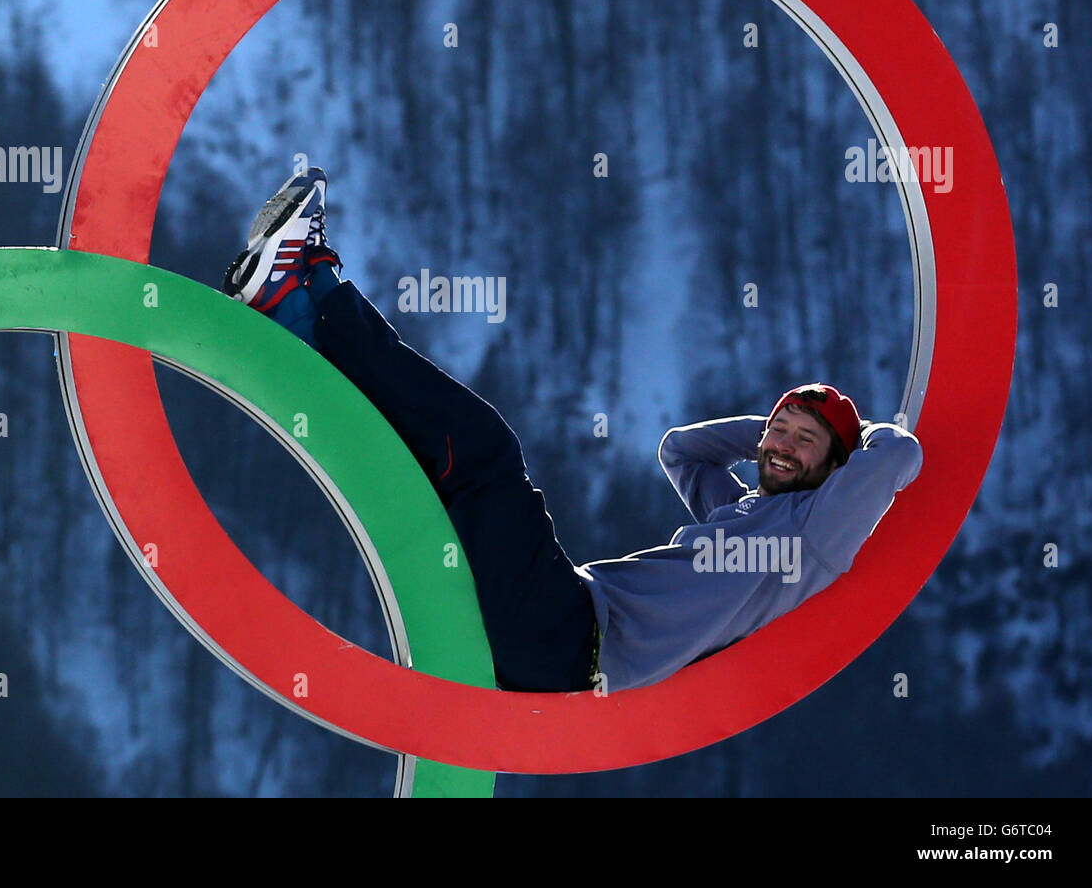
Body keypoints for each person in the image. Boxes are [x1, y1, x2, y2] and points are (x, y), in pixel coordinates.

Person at [222, 168, 923, 694]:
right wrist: (768, 433)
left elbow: (899, 452)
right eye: (781, 430)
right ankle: (297, 313)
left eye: (806, 440)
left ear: (836, 463)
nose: (782, 445)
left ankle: (313, 289)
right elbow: (680, 452)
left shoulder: (814, 536)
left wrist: (844, 440)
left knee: (488, 455)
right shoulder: (742, 516)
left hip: (569, 639)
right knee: (435, 467)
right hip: (550, 635)